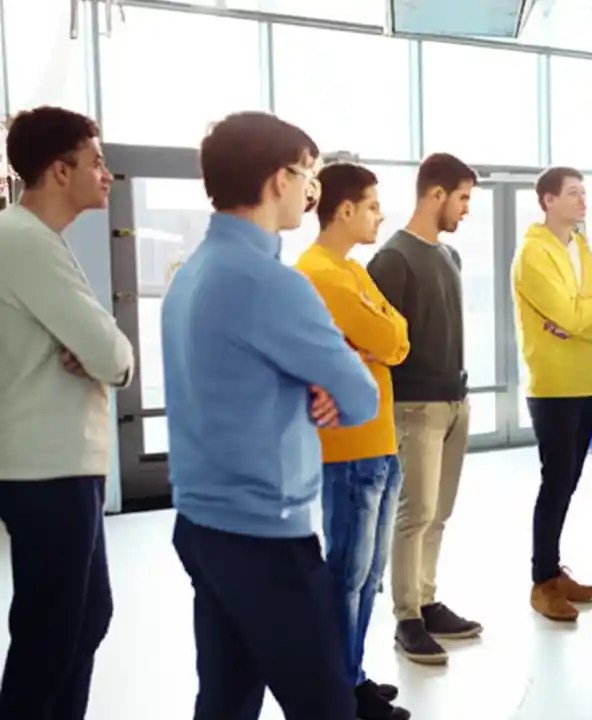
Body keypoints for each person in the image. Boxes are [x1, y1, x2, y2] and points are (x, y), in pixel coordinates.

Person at [162, 111, 379, 719]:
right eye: (308, 174)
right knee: (326, 705)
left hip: (202, 525)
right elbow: (359, 397)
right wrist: (327, 381)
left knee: (227, 699)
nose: (313, 191)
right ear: (276, 178)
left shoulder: (190, 273)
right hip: (265, 536)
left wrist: (317, 381)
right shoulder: (270, 283)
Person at [0, 105, 133, 720]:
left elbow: (98, 349)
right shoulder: (24, 240)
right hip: (44, 470)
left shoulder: (33, 240)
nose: (106, 174)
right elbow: (110, 352)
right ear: (59, 170)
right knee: (50, 634)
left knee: (84, 618)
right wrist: (107, 351)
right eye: (96, 162)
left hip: (57, 465)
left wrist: (99, 348)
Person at [294, 162, 412, 720]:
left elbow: (397, 335)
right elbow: (388, 335)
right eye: (370, 206)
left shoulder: (353, 271)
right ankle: (338, 690)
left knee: (368, 577)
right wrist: (380, 337)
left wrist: (382, 337)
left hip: (380, 442)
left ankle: (353, 676)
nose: (379, 215)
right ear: (344, 210)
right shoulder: (322, 275)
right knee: (347, 574)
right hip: (349, 449)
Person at [367, 152, 482, 665]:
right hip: (414, 406)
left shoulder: (450, 257)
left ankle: (428, 600)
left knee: (441, 512)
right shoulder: (393, 258)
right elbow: (375, 344)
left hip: (455, 401)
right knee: (414, 513)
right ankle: (406, 616)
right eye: (461, 198)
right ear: (435, 195)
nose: (465, 210)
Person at [512, 166, 592, 621]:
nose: (582, 201)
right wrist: (581, 315)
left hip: (586, 379)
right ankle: (542, 580)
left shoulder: (582, 248)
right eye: (573, 193)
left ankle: (554, 569)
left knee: (570, 479)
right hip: (552, 383)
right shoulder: (532, 254)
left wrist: (582, 314)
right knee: (556, 481)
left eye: (583, 193)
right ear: (548, 200)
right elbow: (571, 316)